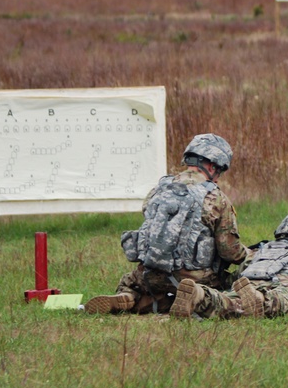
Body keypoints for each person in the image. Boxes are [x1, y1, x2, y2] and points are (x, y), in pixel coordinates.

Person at [84, 133, 250, 314]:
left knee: (133, 282)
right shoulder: (216, 198)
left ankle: (129, 297)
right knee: (232, 284)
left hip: (150, 274)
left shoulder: (159, 189)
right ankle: (195, 298)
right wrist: (250, 254)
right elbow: (229, 251)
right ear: (211, 166)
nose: (217, 178)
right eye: (219, 171)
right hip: (194, 279)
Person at [170, 212, 288, 319]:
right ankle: (260, 300)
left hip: (250, 281)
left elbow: (238, 274)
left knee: (233, 302)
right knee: (287, 304)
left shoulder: (262, 247)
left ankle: (201, 296)